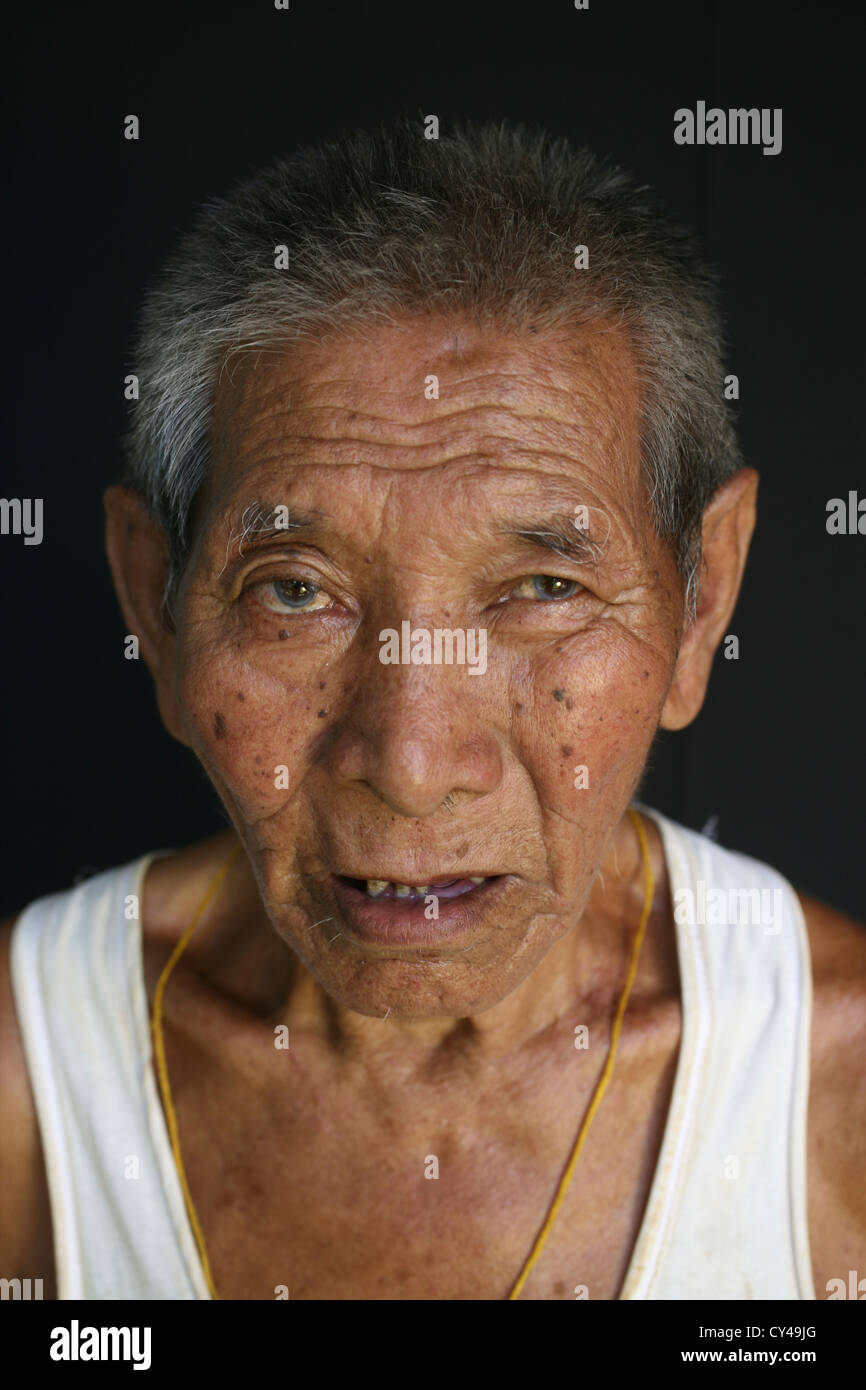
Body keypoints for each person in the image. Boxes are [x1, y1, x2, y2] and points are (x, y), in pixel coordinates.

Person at [2, 118, 864, 1301]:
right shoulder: (24, 1077)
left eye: (543, 589)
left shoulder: (840, 1084)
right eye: (295, 590)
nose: (409, 762)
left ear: (701, 594)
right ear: (152, 603)